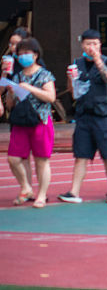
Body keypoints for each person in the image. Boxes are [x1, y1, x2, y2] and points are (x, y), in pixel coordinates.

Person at [59, 29, 107, 205]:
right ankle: (73, 192)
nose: (91, 47)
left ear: (100, 45)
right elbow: (73, 93)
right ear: (82, 45)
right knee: (81, 155)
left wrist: (98, 60)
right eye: (88, 44)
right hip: (84, 116)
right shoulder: (77, 63)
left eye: (94, 43)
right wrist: (71, 79)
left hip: (104, 116)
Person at [6, 37, 56, 208]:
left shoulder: (44, 74)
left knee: (41, 159)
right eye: (20, 54)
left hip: (40, 120)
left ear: (35, 55)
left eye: (26, 53)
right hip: (21, 121)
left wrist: (30, 89)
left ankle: (41, 195)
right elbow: (10, 105)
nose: (22, 57)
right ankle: (26, 187)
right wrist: (12, 92)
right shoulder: (17, 75)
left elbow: (51, 97)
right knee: (13, 158)